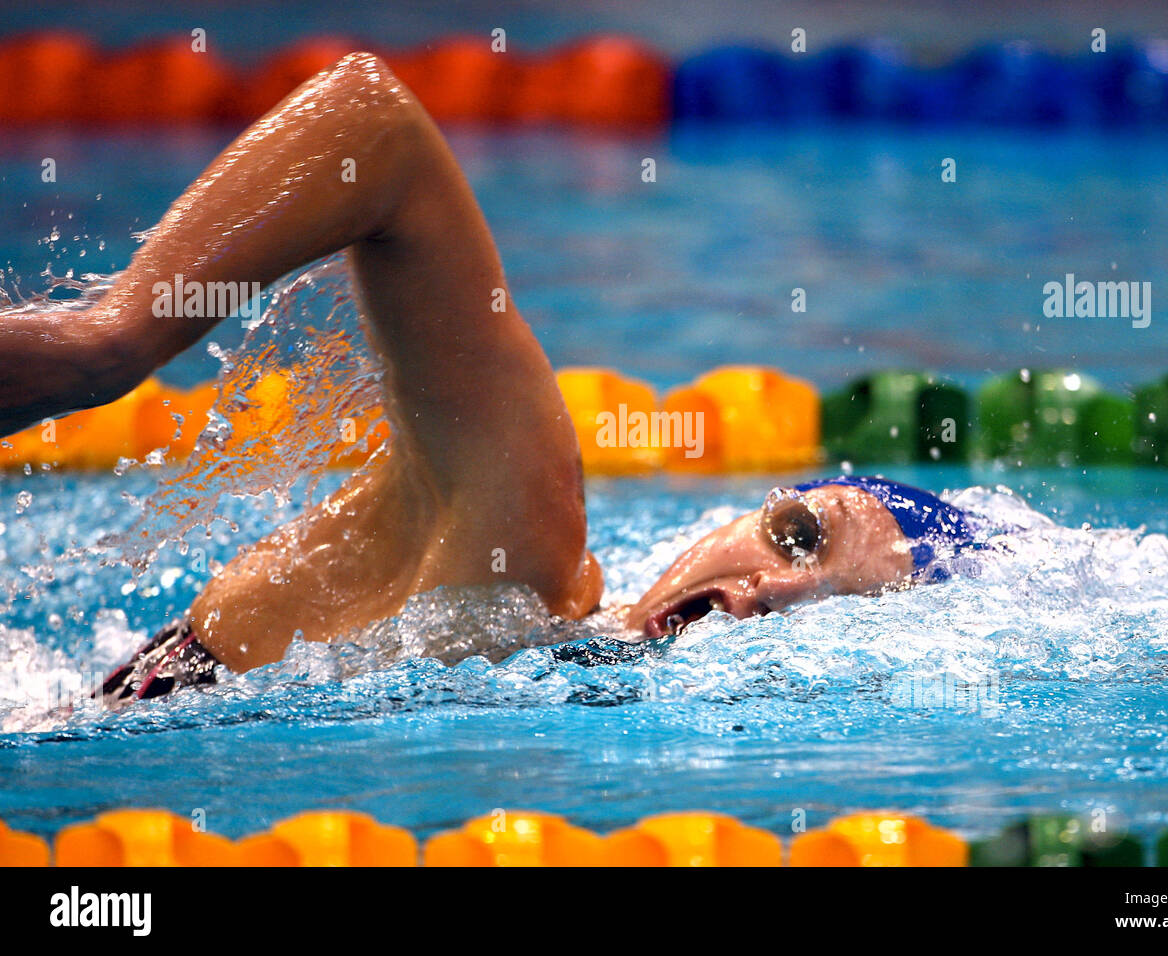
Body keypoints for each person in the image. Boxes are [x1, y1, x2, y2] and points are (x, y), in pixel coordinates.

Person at [0, 54, 981, 707]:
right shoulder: (525, 542)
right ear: (733, 514)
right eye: (796, 535)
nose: (765, 591)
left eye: (827, 609)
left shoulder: (546, 660)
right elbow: (374, 128)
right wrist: (113, 339)